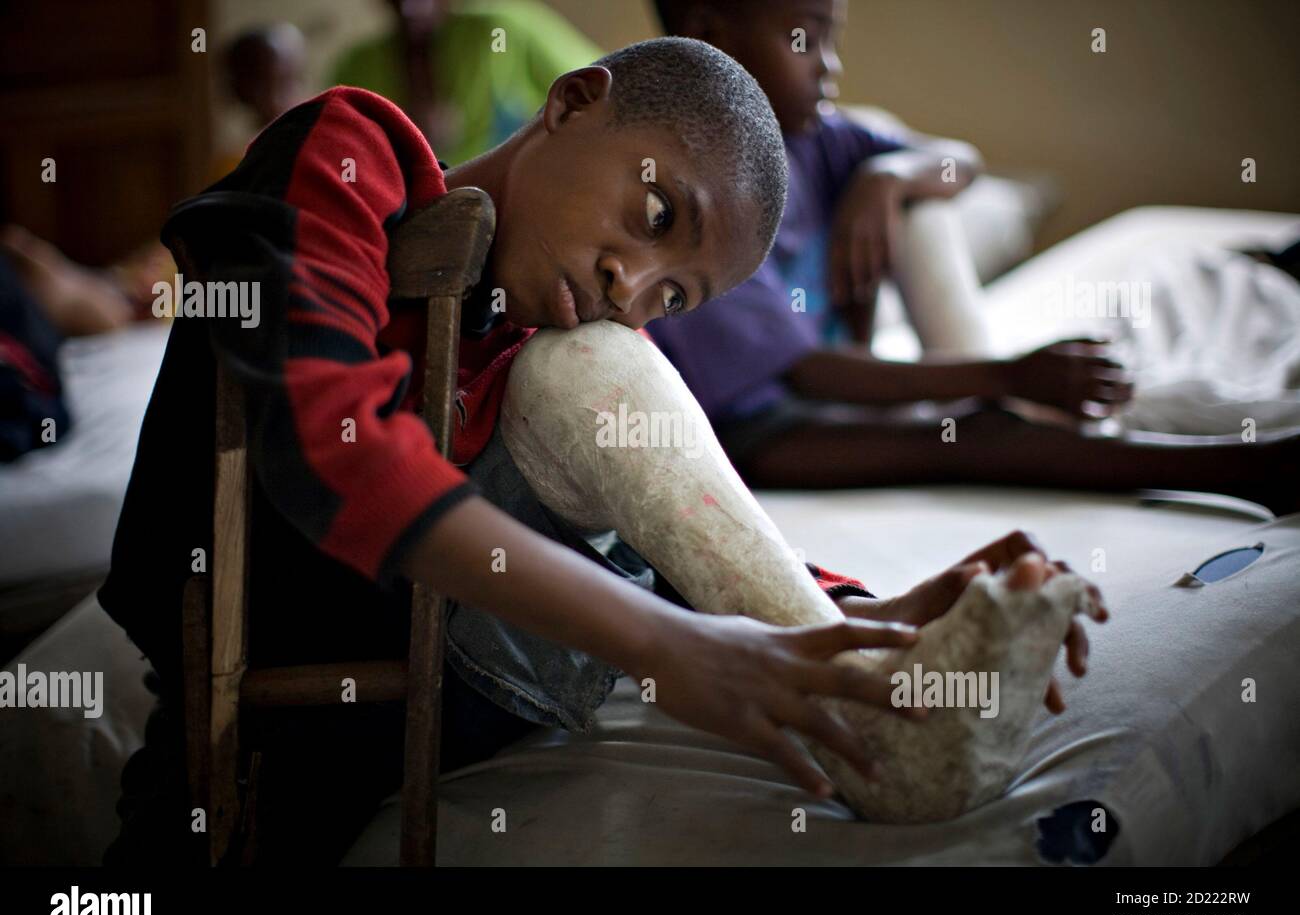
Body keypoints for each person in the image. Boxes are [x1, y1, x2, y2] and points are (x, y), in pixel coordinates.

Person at [99, 37, 1098, 866]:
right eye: (656, 215)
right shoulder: (359, 149)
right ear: (573, 102)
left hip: (457, 671)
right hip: (289, 643)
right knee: (584, 373)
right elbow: (326, 439)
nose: (635, 285)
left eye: (674, 296)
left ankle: (861, 672)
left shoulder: (552, 341)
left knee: (595, 382)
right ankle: (868, 714)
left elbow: (665, 533)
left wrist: (855, 610)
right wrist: (670, 649)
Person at [648, 0, 1299, 515]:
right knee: (980, 435)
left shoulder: (821, 141)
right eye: (808, 37)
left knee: (927, 219)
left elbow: (962, 159)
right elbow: (808, 375)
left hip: (845, 386)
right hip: (757, 433)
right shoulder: (691, 200)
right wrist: (999, 373)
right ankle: (1244, 471)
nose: (830, 65)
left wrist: (891, 179)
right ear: (710, 32)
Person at [332, 0, 603, 164]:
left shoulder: (501, 30)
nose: (408, 7)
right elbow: (340, 150)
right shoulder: (357, 65)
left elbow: (603, 88)